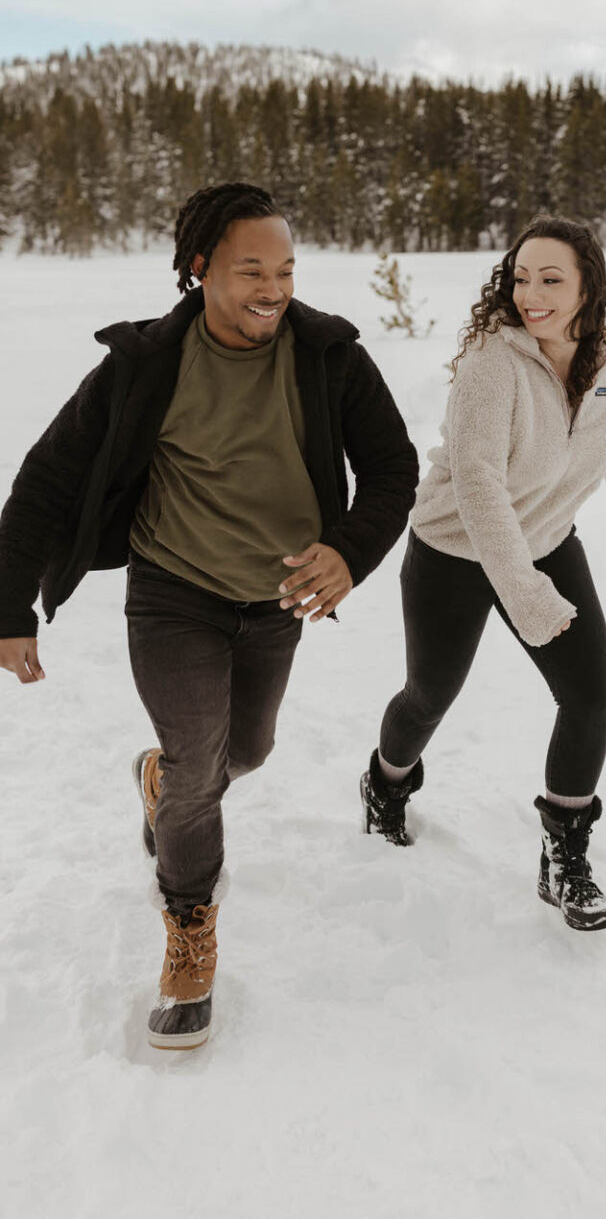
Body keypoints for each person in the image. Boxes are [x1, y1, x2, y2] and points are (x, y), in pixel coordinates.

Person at [0, 183, 418, 1049]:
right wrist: (9, 606)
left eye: (286, 270)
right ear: (200, 269)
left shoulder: (330, 357)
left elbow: (392, 468)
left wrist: (348, 551)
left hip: (274, 599)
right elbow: (46, 480)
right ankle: (189, 925)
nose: (274, 289)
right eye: (252, 270)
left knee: (246, 751)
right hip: (172, 590)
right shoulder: (146, 365)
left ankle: (160, 783)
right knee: (201, 766)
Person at [359, 214, 606, 931]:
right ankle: (385, 783)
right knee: (429, 696)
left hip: (546, 539)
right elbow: (480, 485)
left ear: (588, 287)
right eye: (522, 278)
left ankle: (564, 855)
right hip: (455, 550)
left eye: (551, 279)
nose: (532, 296)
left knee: (591, 696)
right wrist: (522, 590)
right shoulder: (493, 362)